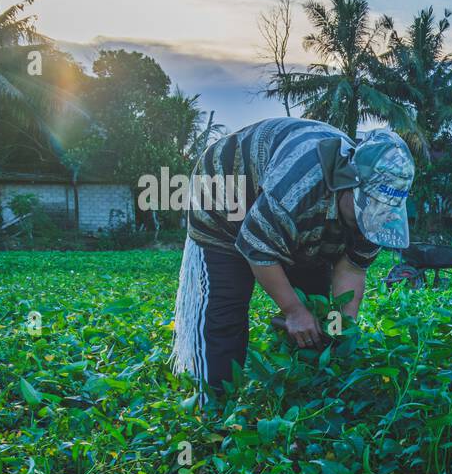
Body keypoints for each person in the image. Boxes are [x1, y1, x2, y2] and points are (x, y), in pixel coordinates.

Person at [172, 117, 415, 397]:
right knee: (226, 305)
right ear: (348, 183)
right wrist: (293, 310)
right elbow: (258, 249)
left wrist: (341, 330)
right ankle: (214, 404)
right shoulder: (299, 184)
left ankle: (300, 396)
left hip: (294, 213)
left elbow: (352, 271)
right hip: (225, 195)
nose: (368, 222)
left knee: (316, 309)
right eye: (365, 210)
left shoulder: (377, 215)